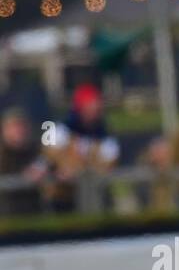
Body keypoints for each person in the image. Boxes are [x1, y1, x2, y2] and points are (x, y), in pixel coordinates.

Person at [43, 83, 120, 211]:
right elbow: (48, 157)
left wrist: (83, 168)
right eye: (90, 105)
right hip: (62, 197)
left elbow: (109, 164)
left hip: (94, 197)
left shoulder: (104, 136)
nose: (95, 110)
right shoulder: (61, 130)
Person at [0, 107, 44, 216]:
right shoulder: (3, 156)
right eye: (14, 126)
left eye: (22, 126)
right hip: (6, 218)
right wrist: (25, 179)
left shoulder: (36, 153)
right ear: (4, 130)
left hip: (34, 216)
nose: (19, 131)